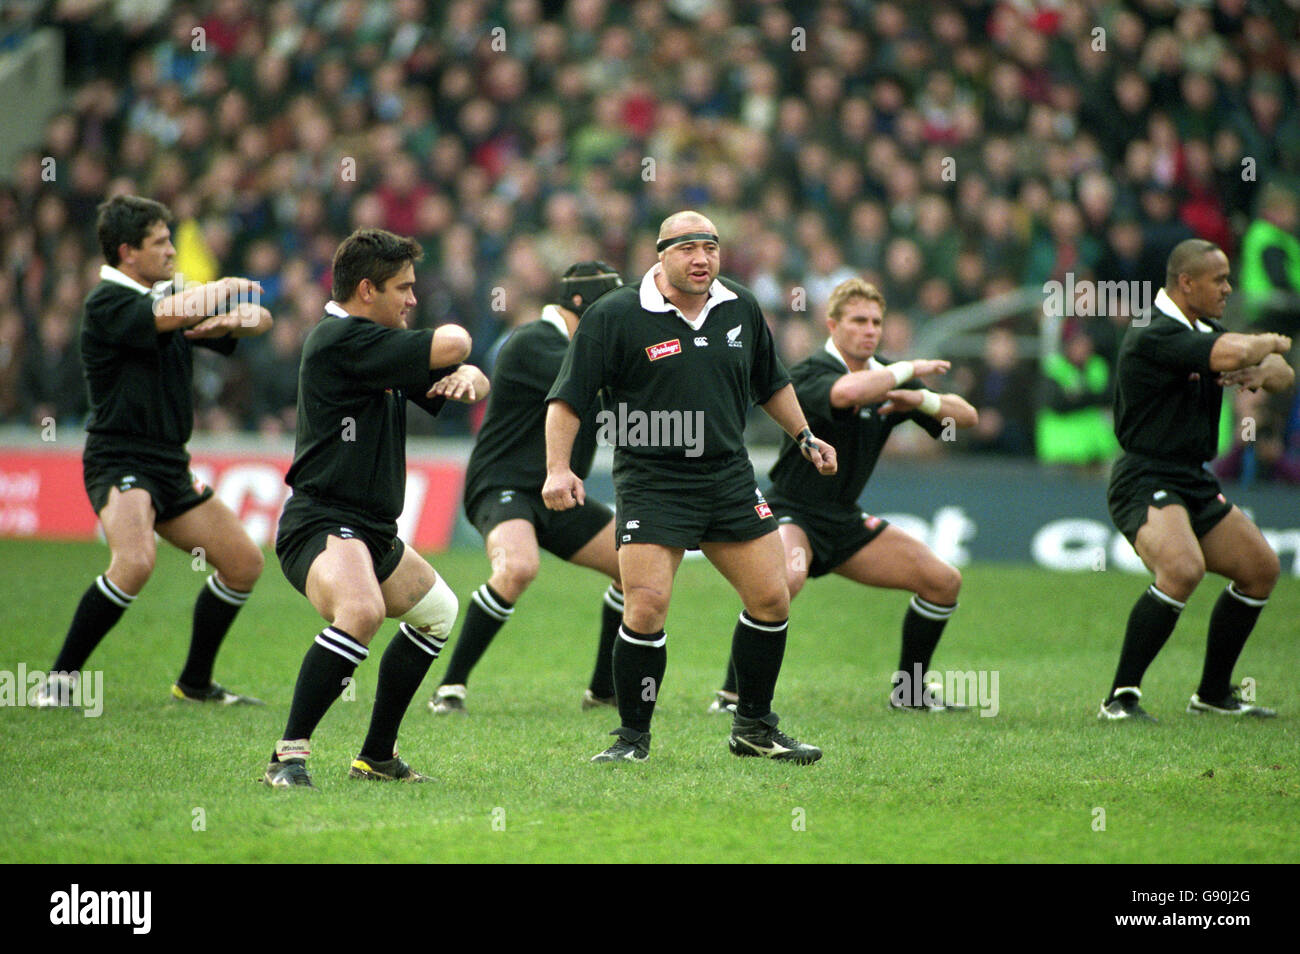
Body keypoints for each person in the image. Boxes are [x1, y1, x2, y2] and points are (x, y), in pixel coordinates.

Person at [543, 210, 837, 764]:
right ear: (660, 254)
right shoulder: (615, 315)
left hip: (728, 475)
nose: (702, 259)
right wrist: (560, 469)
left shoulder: (741, 305)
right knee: (647, 607)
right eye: (687, 248)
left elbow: (771, 382)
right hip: (653, 479)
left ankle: (753, 727)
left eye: (711, 247)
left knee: (772, 598)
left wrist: (804, 436)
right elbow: (568, 399)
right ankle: (632, 739)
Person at [263, 228, 488, 787]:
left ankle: (377, 757)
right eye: (404, 288)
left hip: (371, 530)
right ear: (367, 289)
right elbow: (456, 343)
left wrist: (471, 379)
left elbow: (468, 375)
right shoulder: (341, 340)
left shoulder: (377, 345)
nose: (413, 300)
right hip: (320, 522)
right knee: (361, 613)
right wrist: (461, 358)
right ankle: (286, 759)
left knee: (437, 611)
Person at [34, 195, 272, 708]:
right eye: (160, 243)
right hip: (119, 459)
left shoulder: (169, 301)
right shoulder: (109, 303)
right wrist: (220, 291)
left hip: (170, 464)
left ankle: (195, 683)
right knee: (136, 561)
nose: (170, 251)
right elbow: (173, 311)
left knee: (243, 564)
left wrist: (243, 317)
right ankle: (57, 682)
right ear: (127, 252)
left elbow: (261, 322)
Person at [705, 278, 979, 714]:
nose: (869, 330)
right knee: (783, 584)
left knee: (944, 582)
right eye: (858, 321)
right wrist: (905, 373)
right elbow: (846, 393)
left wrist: (920, 400)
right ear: (832, 325)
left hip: (844, 519)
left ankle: (909, 693)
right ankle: (732, 695)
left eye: (876, 322)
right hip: (793, 512)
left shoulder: (889, 379)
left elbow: (966, 417)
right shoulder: (811, 371)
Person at [1101, 239, 1294, 721]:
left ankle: (1211, 694)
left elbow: (1284, 376)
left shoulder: (1203, 328)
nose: (1228, 288)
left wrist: (1261, 365)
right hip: (1144, 474)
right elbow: (1248, 351)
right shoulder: (1152, 330)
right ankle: (1120, 698)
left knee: (1261, 570)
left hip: (1192, 477)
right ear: (1186, 283)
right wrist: (1268, 343)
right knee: (1183, 570)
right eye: (1219, 279)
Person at [430, 262, 626, 716]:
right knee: (518, 568)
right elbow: (596, 385)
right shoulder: (532, 341)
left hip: (560, 492)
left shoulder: (578, 345)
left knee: (635, 567)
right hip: (504, 485)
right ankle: (450, 687)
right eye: (611, 309)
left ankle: (602, 691)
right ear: (583, 306)